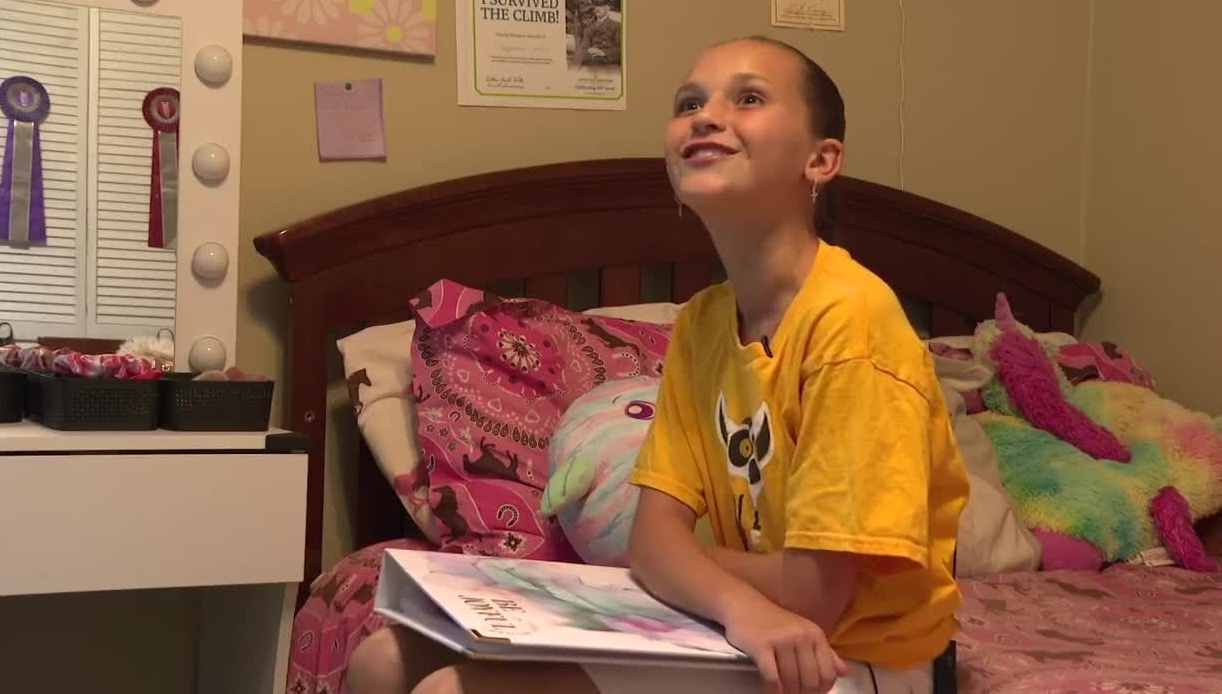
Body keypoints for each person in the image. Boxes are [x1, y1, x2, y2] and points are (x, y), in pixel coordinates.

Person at [345, 35, 968, 694]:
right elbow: (649, 544)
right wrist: (733, 599)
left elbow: (812, 592)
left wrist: (689, 566)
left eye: (748, 98)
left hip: (854, 656)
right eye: (689, 103)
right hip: (740, 622)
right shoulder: (704, 324)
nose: (705, 115)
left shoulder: (852, 322)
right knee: (381, 661)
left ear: (822, 158)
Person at [571, 0, 621, 68]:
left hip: (608, 59)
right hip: (591, 58)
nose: (597, 9)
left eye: (600, 6)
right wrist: (589, 50)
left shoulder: (616, 26)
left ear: (607, 8)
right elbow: (583, 48)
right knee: (579, 54)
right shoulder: (588, 29)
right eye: (596, 6)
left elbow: (622, 49)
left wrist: (603, 53)